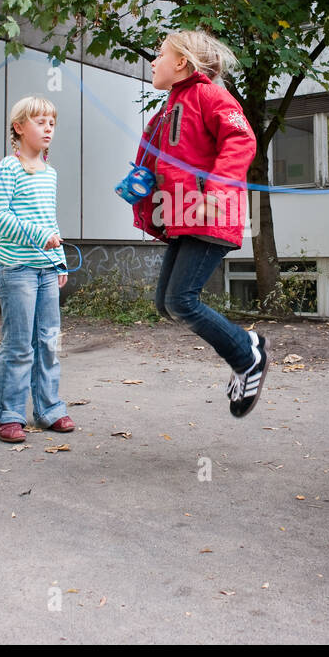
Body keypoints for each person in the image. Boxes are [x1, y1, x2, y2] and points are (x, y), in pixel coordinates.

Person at [130, 29, 269, 417]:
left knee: (181, 300)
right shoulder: (170, 106)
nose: (153, 62)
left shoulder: (208, 94)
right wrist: (141, 183)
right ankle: (248, 347)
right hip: (183, 216)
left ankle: (247, 355)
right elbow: (162, 159)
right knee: (166, 304)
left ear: (182, 63)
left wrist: (215, 194)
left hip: (209, 213)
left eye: (160, 55)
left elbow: (241, 141)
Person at [0, 95, 75, 444]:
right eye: (40, 121)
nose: (49, 127)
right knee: (19, 345)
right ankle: (7, 414)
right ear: (19, 127)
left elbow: (48, 220)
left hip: (46, 269)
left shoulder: (49, 172)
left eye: (52, 122)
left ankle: (49, 409)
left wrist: (60, 259)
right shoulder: (9, 167)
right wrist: (40, 236)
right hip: (17, 268)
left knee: (49, 342)